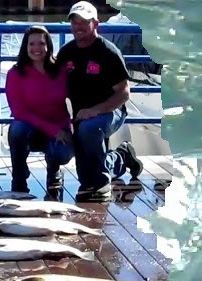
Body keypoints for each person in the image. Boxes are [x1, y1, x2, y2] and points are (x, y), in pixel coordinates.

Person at [55, 1, 144, 201]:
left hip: (111, 111)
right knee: (80, 169)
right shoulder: (66, 53)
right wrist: (62, 125)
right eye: (74, 22)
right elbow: (57, 94)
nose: (78, 26)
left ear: (96, 23)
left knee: (89, 130)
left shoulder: (108, 52)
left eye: (84, 22)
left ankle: (102, 184)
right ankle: (121, 157)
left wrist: (95, 110)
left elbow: (123, 93)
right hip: (79, 115)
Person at [5, 25, 76, 195]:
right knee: (17, 129)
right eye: (32, 44)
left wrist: (70, 128)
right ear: (25, 46)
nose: (36, 48)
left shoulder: (62, 70)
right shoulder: (15, 73)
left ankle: (54, 170)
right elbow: (19, 111)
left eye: (41, 43)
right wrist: (53, 130)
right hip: (32, 128)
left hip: (59, 125)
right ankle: (19, 176)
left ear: (48, 46)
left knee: (62, 154)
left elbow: (76, 100)